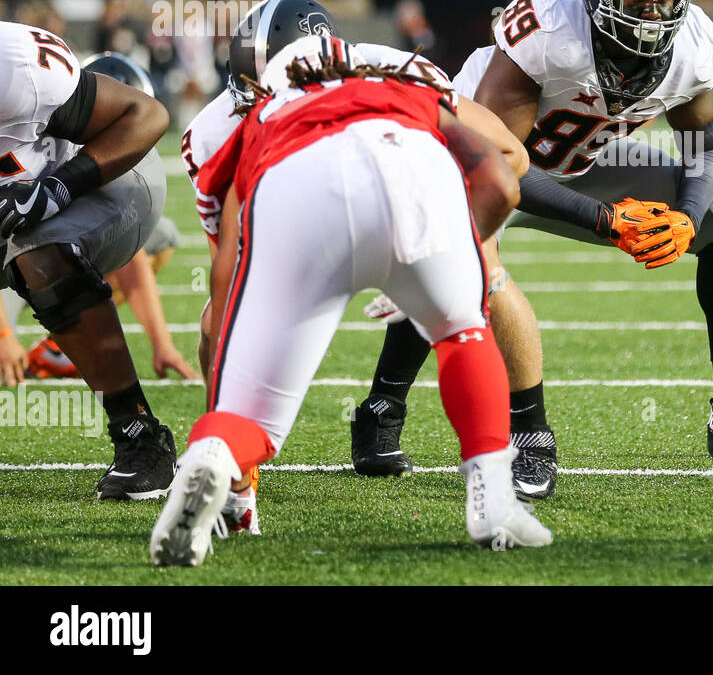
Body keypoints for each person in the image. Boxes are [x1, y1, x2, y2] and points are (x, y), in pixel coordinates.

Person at [448, 0, 713, 499]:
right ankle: (415, 415)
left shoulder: (691, 42)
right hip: (475, 169)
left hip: (580, 163)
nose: (654, 14)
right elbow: (499, 164)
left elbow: (709, 143)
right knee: (459, 264)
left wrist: (685, 218)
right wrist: (605, 220)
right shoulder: (550, 24)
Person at [151, 38, 551, 565]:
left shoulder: (254, 122)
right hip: (408, 162)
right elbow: (502, 182)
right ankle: (494, 505)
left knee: (258, 421)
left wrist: (229, 397)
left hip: (294, 185)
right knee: (461, 329)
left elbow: (224, 281)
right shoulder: (406, 89)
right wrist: (450, 265)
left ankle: (216, 455)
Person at [0, 19, 175, 499]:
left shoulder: (14, 67)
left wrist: (55, 191)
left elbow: (146, 114)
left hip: (106, 176)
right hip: (12, 208)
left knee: (39, 252)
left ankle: (140, 437)